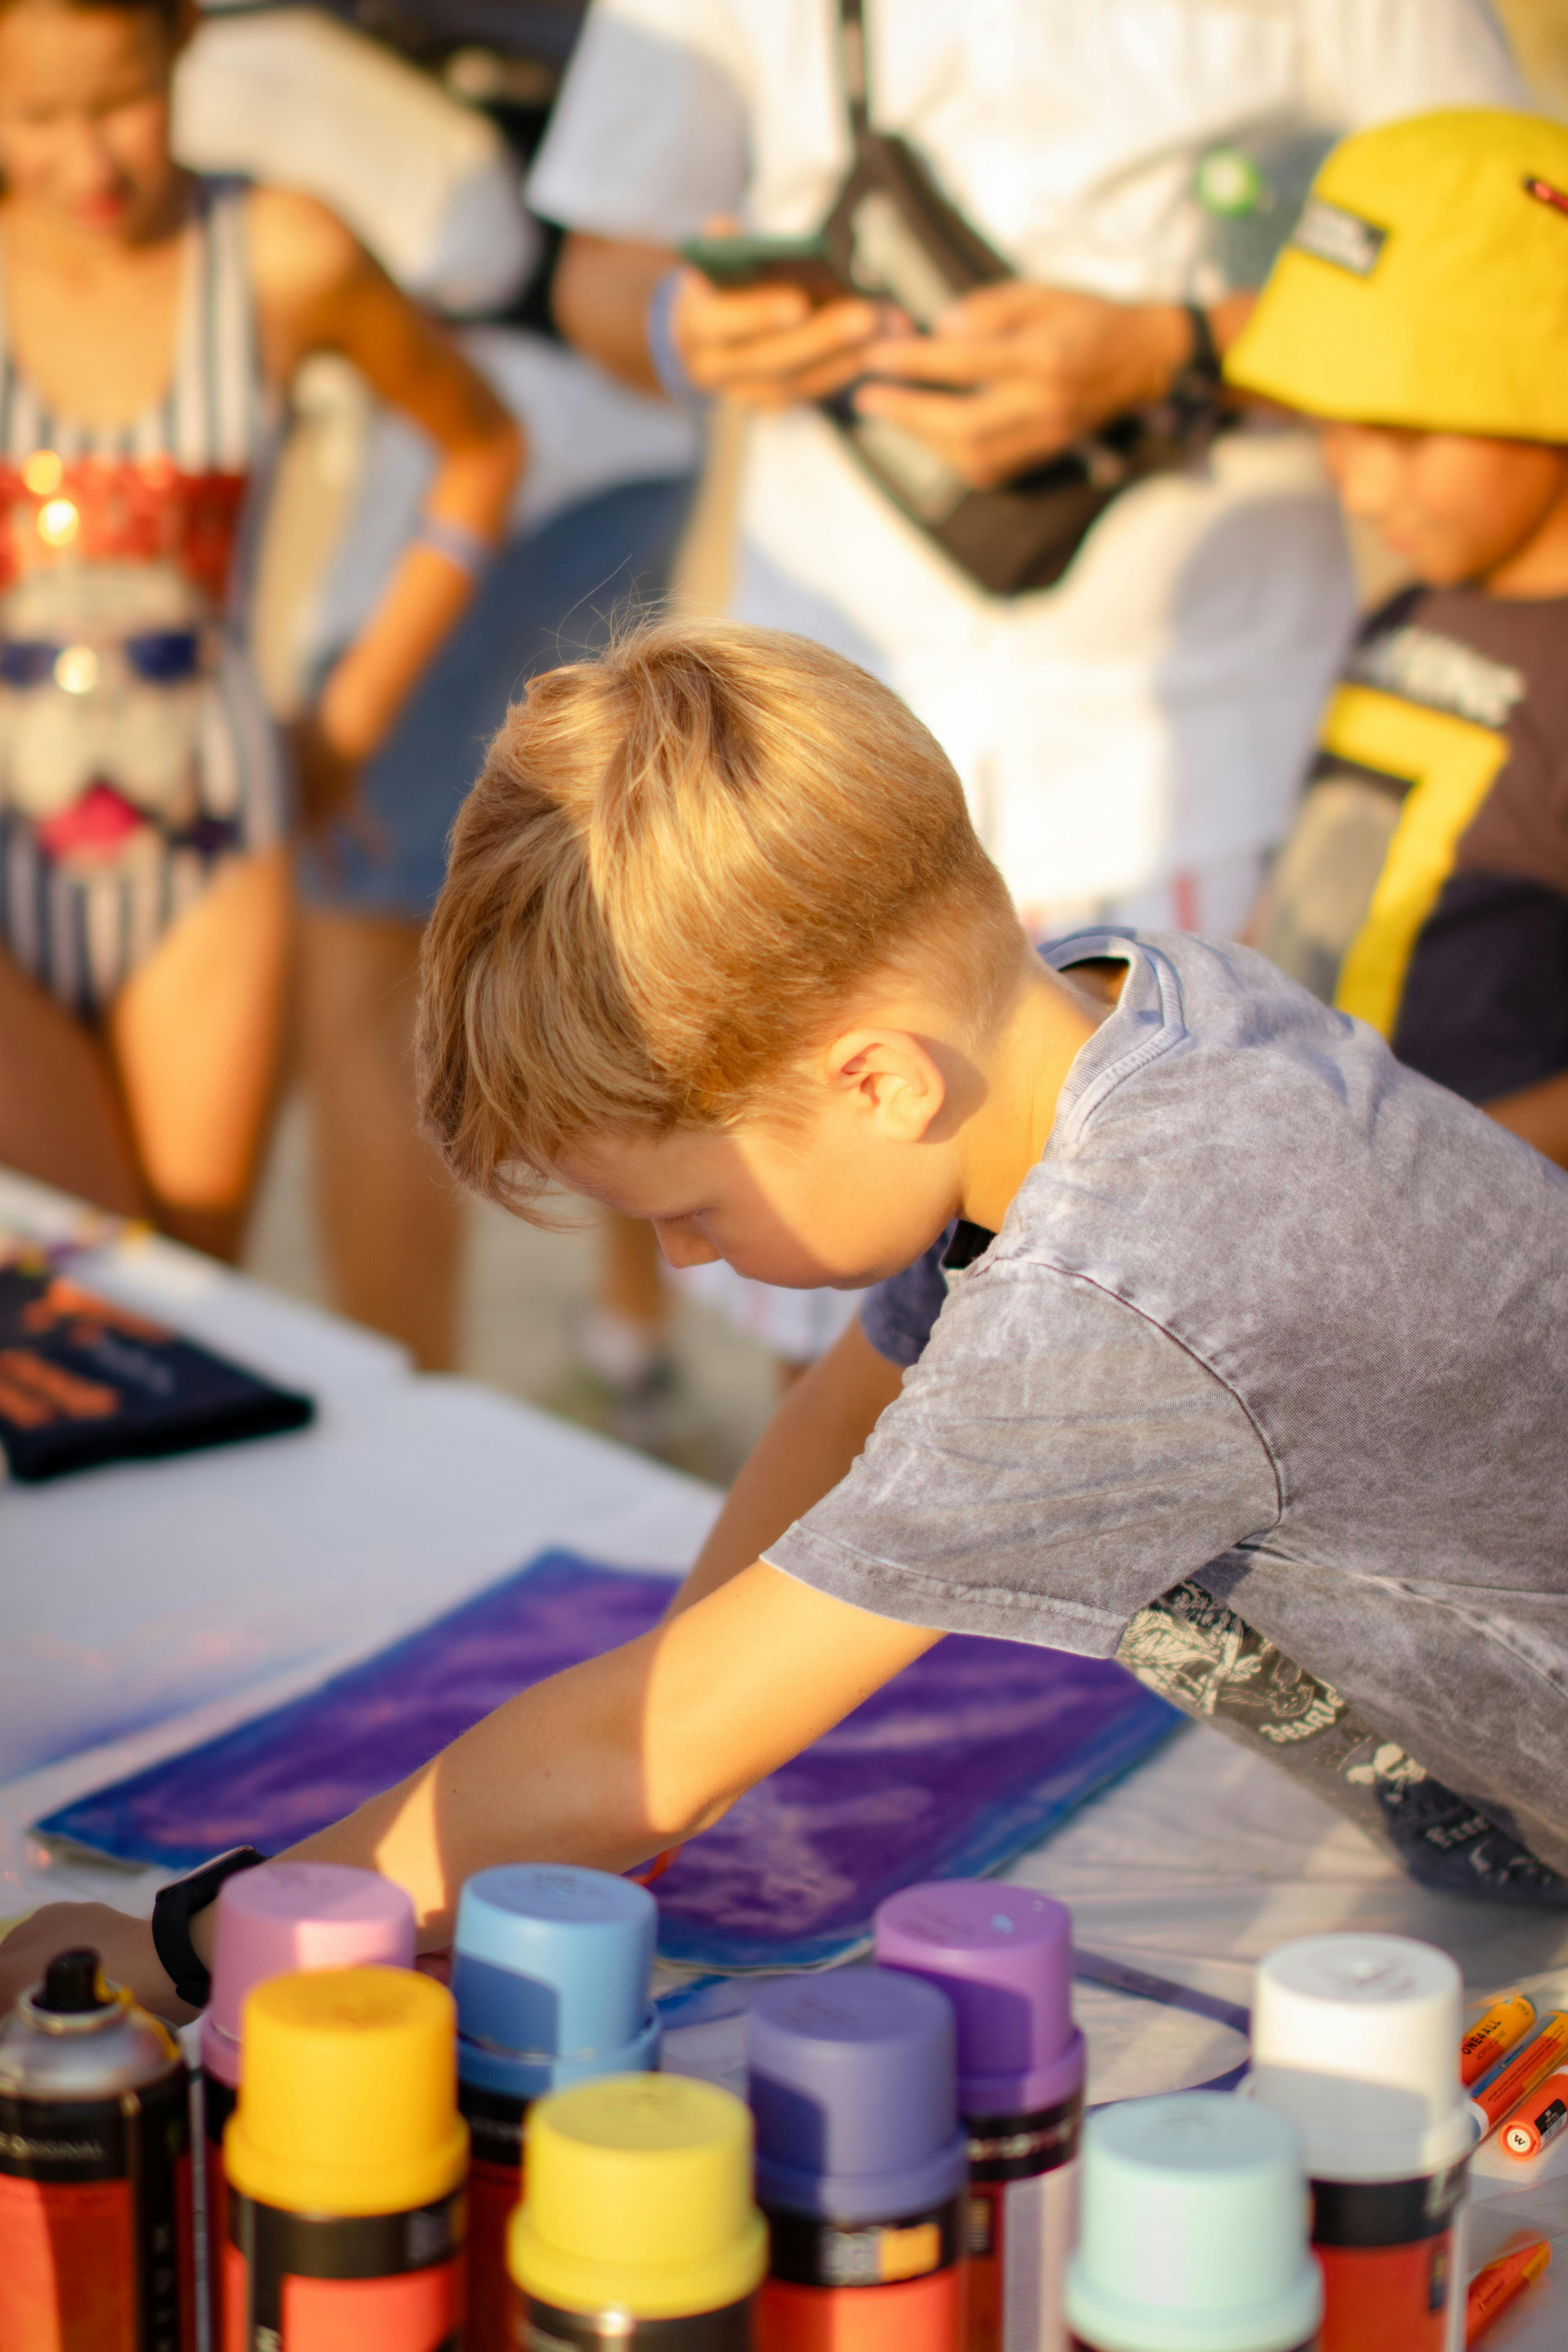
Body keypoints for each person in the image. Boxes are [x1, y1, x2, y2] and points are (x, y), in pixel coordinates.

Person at [11, 618, 1568, 2019]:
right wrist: (629, 1777)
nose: (683, 1261)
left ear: (876, 1080)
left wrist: (209, 1937)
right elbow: (848, 1409)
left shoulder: (1126, 1286)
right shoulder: (1098, 1018)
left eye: (692, 1205)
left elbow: (663, 1750)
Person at [526, 0, 1524, 1383]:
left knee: (1181, 1349)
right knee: (834, 1337)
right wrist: (687, 327)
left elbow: (1515, 256)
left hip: (1201, 756)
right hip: (828, 769)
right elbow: (599, 271)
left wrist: (1180, 351)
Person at [175, 0, 701, 1364]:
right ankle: (633, 1325)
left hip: (507, 460)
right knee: (604, 891)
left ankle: (411, 1390)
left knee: (370, 960)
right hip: (644, 433)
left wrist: (342, 717)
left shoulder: (229, 57)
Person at [0, 0, 520, 1261]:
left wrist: (353, 714)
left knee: (186, 1288)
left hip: (213, 843)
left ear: (186, 43)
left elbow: (483, 449)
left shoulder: (282, 251)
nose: (91, 164)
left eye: (119, 102)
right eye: (35, 119)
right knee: (55, 1288)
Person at [1229, 107, 1568, 1172]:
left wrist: (1419, 1192)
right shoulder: (1404, 613)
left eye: (1409, 433)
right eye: (1333, 424)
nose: (1360, 482)